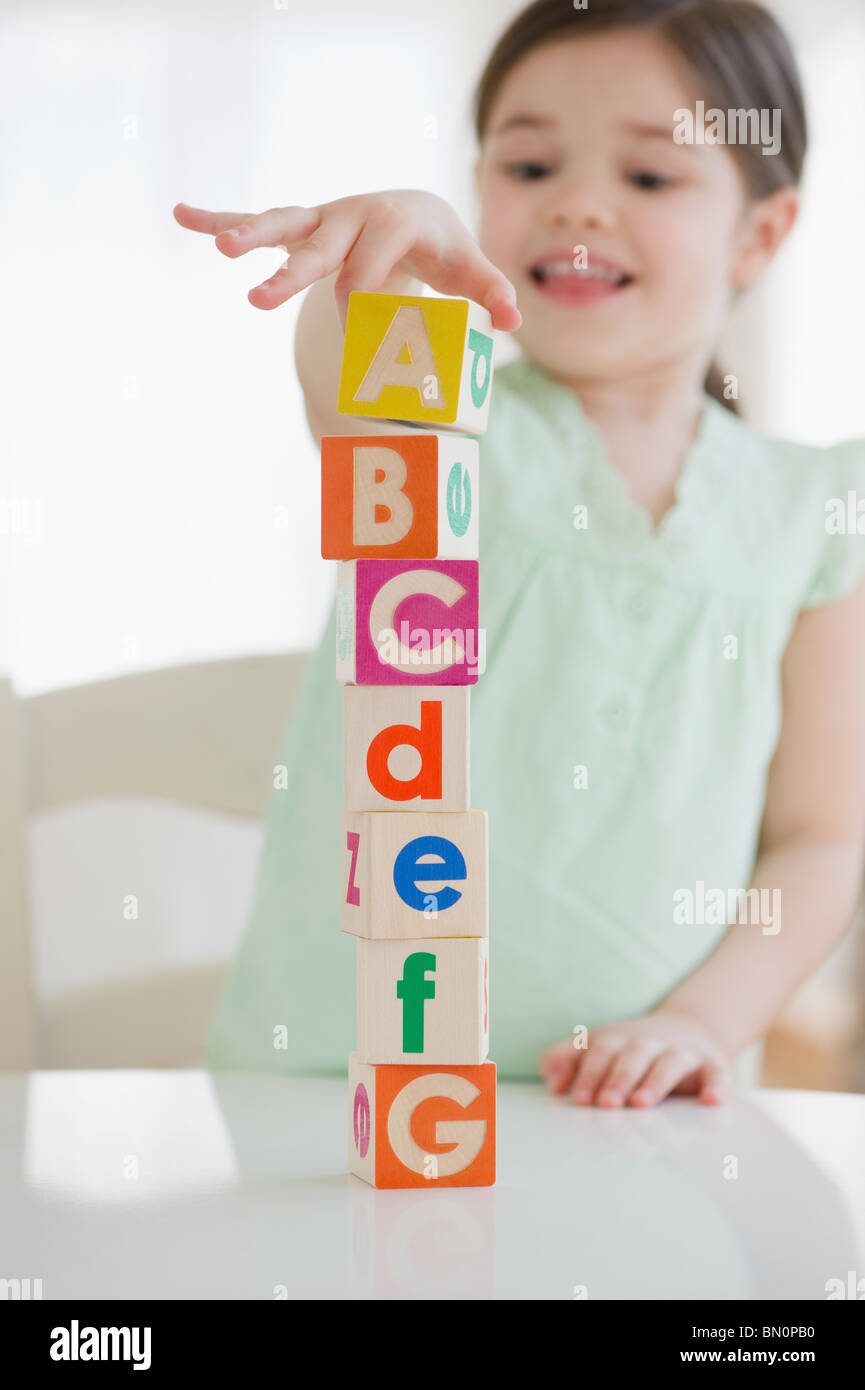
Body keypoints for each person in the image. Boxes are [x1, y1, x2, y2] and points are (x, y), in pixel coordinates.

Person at [174, 0, 865, 1107]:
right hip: (329, 1086)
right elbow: (355, 370)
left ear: (759, 234)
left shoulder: (814, 509)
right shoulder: (454, 417)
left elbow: (821, 840)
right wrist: (394, 249)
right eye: (530, 162)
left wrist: (701, 1024)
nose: (577, 204)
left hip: (633, 1116)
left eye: (649, 178)